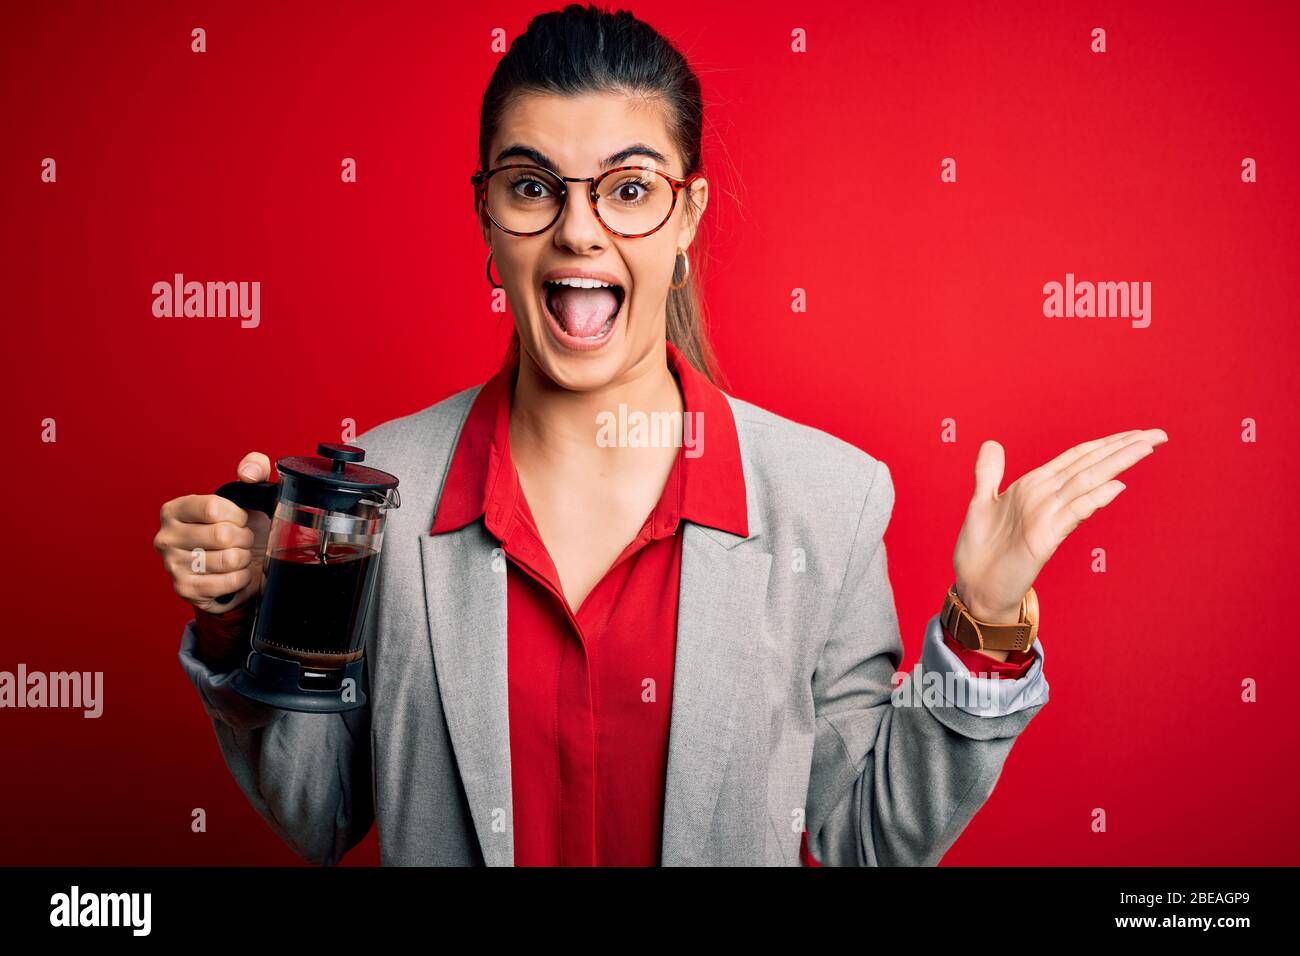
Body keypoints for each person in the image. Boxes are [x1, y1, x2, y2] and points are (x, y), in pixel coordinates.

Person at [153, 3, 1167, 866]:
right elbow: (320, 813)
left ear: (687, 219)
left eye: (630, 190)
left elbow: (864, 836)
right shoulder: (377, 492)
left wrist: (984, 623)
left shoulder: (828, 500)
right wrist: (243, 616)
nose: (579, 229)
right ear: (488, 217)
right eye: (532, 186)